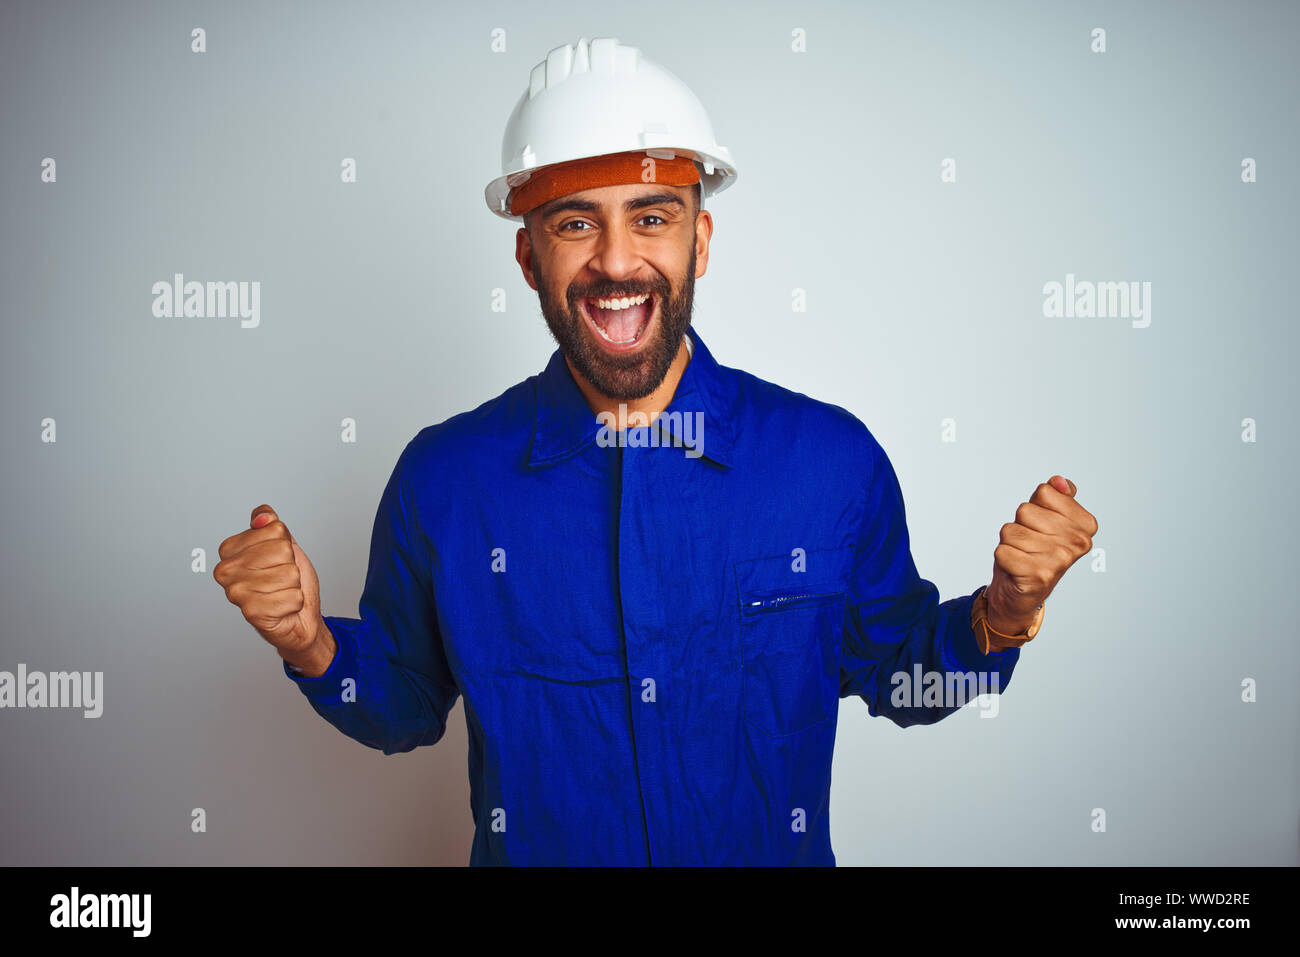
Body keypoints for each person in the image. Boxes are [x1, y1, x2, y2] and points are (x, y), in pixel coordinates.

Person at [213, 37, 1098, 865]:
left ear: (699, 241)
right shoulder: (444, 481)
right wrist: (310, 644)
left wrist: (1003, 613)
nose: (616, 260)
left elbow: (904, 683)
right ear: (528, 257)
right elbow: (405, 708)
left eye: (651, 216)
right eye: (574, 224)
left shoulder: (829, 463)